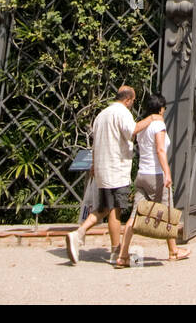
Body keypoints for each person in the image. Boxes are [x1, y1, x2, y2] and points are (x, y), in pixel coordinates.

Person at [66, 86, 158, 265]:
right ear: (128, 100)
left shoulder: (102, 115)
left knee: (104, 209)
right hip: (116, 168)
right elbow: (133, 129)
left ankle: (81, 234)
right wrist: (152, 118)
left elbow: (95, 142)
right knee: (115, 210)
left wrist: (94, 164)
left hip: (102, 168)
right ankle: (115, 251)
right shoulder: (122, 113)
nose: (133, 104)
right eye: (133, 101)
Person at [114, 92, 190, 267]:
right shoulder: (158, 125)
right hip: (156, 175)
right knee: (168, 214)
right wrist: (167, 173)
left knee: (134, 216)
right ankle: (173, 251)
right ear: (161, 109)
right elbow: (160, 150)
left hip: (142, 175)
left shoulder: (142, 127)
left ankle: (123, 256)